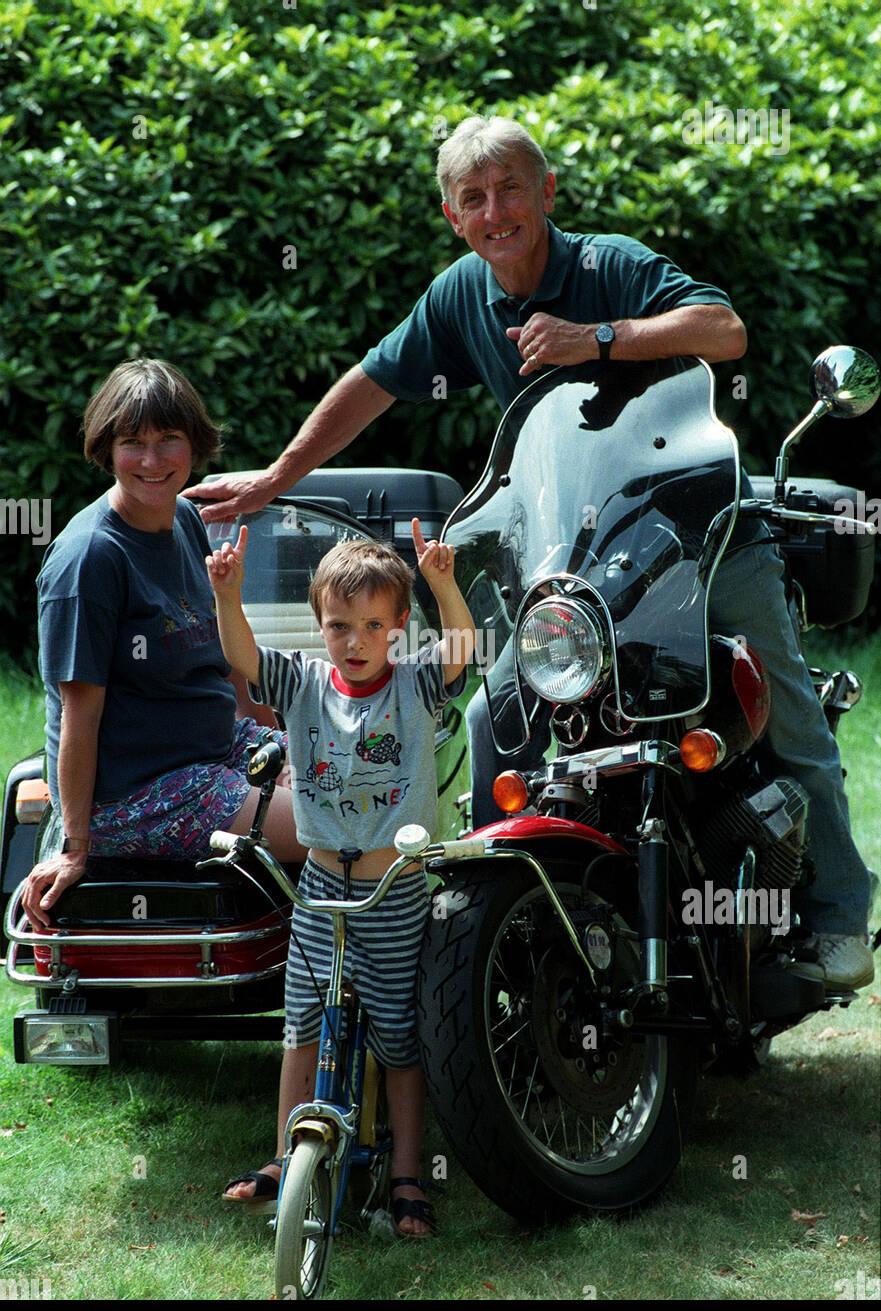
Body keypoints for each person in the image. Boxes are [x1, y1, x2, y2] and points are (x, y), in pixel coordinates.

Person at [186, 115, 875, 992]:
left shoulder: (609, 265)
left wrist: (598, 339)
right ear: (452, 216)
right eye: (473, 197)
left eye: (511, 187)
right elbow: (371, 383)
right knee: (489, 721)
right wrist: (275, 478)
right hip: (572, 569)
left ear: (546, 194)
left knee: (787, 714)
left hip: (699, 545)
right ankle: (502, 935)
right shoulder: (457, 295)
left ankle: (837, 921)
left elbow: (724, 330)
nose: (495, 210)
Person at [209, 521, 474, 1235]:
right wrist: (227, 594)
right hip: (320, 890)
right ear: (319, 625)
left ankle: (408, 1173)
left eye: (369, 626)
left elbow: (459, 653)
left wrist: (442, 583)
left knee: (397, 1035)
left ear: (395, 627)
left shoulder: (416, 686)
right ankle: (280, 1156)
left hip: (394, 894)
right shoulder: (298, 683)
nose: (352, 641)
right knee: (299, 1026)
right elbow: (241, 656)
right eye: (337, 626)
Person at [21, 359, 305, 930]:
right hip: (142, 790)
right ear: (107, 448)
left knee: (361, 776)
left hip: (213, 748)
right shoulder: (90, 560)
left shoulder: (185, 520)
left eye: (169, 439)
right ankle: (331, 976)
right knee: (336, 821)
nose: (153, 461)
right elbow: (78, 712)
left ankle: (344, 965)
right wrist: (75, 845)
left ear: (194, 443)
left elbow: (224, 654)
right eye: (134, 443)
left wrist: (273, 743)